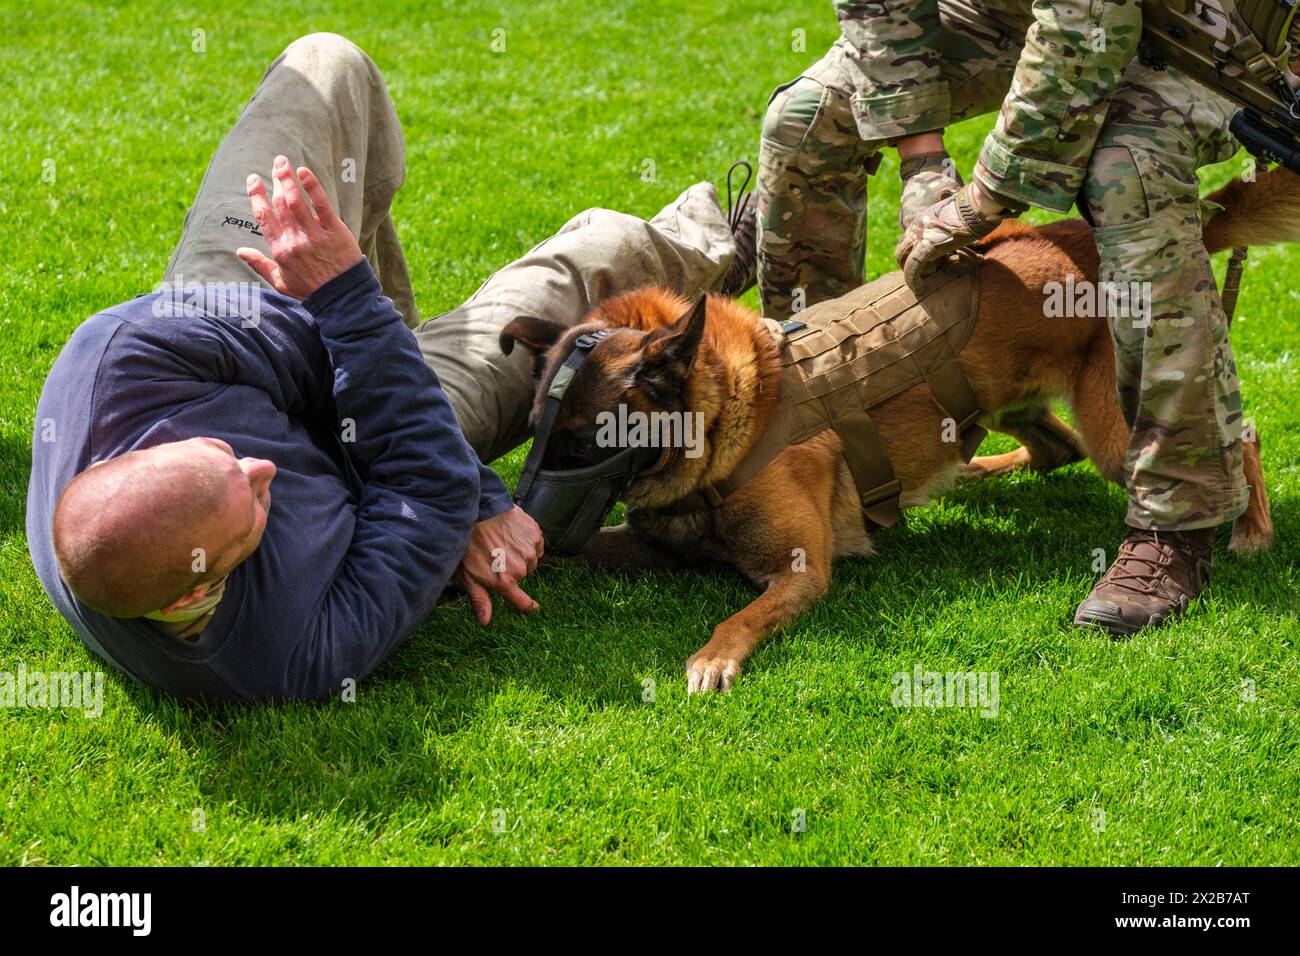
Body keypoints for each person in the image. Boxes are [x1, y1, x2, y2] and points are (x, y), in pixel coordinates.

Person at [27, 33, 750, 702]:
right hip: (390, 445)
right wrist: (460, 498)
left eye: (223, 451)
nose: (262, 469)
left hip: (245, 321)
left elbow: (317, 340)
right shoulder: (286, 658)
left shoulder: (117, 364)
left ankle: (373, 294)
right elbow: (425, 491)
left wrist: (346, 297)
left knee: (328, 62)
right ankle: (715, 241)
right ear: (194, 591)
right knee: (598, 256)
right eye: (251, 509)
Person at [757, 1, 1248, 635]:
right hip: (1011, 14)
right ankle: (814, 416)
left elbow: (1087, 29)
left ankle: (1176, 516)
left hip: (1192, 39)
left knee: (1125, 174)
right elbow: (880, 13)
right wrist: (923, 162)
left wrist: (978, 203)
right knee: (804, 120)